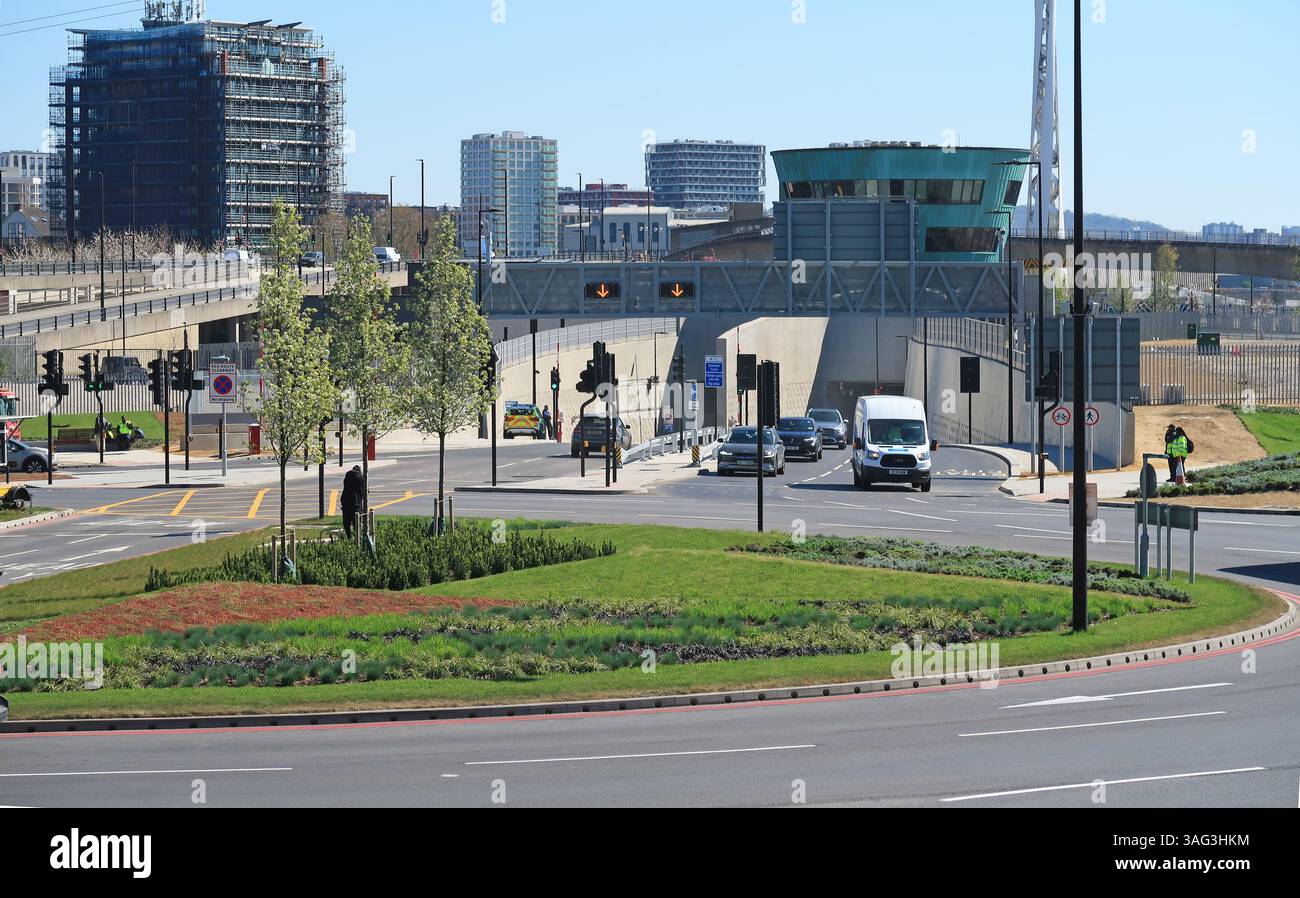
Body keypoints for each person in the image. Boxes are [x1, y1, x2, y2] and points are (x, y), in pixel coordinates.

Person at [341, 465, 365, 537]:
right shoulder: (360, 477)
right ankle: (357, 539)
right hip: (356, 503)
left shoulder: (348, 476)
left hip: (346, 502)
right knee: (356, 524)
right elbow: (363, 492)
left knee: (347, 524)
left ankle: (348, 537)